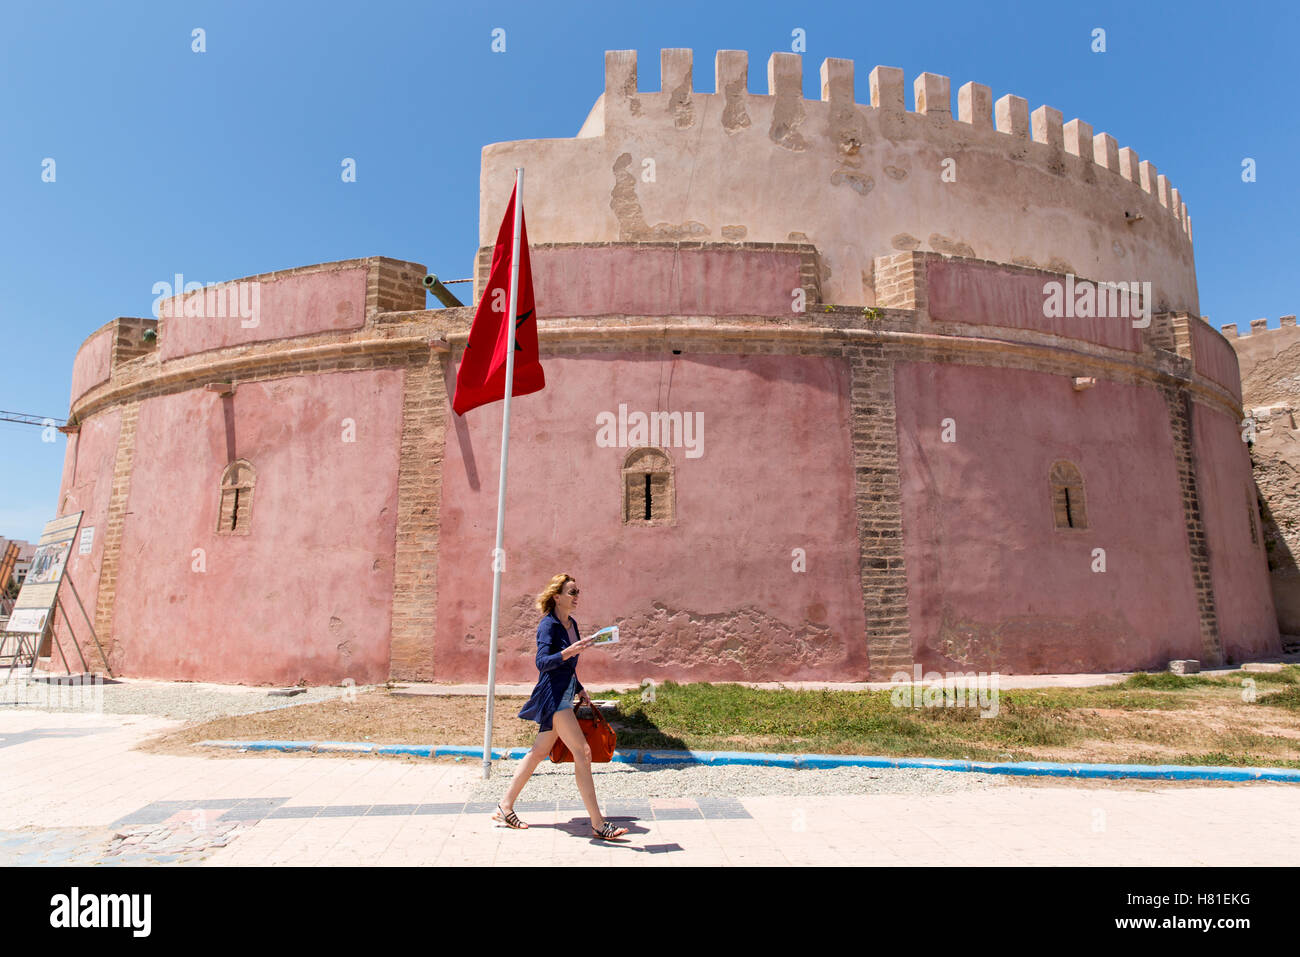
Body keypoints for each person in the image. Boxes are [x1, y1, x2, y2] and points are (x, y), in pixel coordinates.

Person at [494, 573, 628, 840]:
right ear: (557, 597)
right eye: (572, 592)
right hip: (553, 697)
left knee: (537, 753)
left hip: (566, 692)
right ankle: (599, 823)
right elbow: (542, 663)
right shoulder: (549, 625)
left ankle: (504, 805)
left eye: (578, 592)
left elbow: (567, 665)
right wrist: (570, 650)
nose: (577, 596)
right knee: (583, 751)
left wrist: (579, 687)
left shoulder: (571, 624)